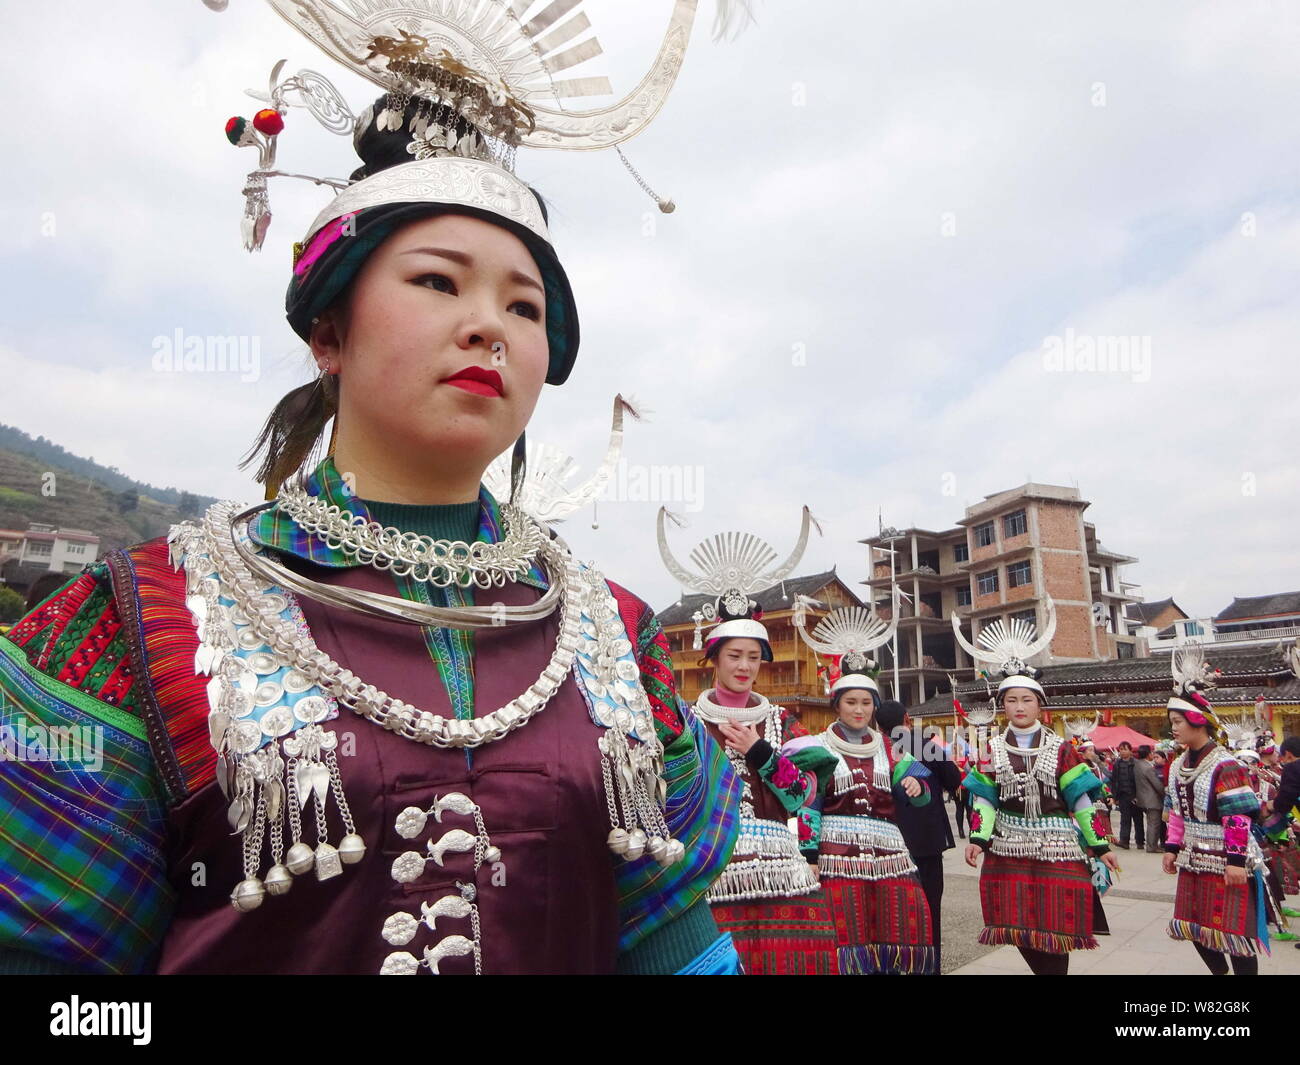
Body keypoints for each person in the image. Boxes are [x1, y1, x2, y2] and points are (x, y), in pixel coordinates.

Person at [0, 1, 748, 976]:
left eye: (523, 305)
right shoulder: (142, 628)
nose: (489, 325)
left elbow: (671, 946)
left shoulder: (613, 637)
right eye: (439, 282)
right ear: (328, 331)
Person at [659, 511, 838, 974]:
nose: (744, 666)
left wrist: (760, 752)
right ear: (712, 660)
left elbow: (803, 797)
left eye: (753, 657)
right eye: (734, 656)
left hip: (780, 866)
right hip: (711, 871)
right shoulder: (688, 723)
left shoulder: (781, 721)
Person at [953, 602, 1118, 976]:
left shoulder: (1061, 748)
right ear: (1002, 706)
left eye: (1027, 699)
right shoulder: (992, 748)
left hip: (1056, 844)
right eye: (1011, 700)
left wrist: (1100, 845)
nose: (1019, 706)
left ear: (1040, 705)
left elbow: (1081, 800)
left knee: (1057, 924)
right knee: (1017, 924)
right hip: (1007, 845)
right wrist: (978, 839)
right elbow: (985, 798)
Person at [784, 609, 936, 974]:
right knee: (844, 944)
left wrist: (916, 788)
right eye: (851, 702)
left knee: (897, 940)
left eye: (866, 703)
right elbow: (809, 807)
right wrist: (808, 855)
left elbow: (924, 795)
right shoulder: (816, 748)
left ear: (875, 707)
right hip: (837, 858)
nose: (859, 710)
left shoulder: (892, 747)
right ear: (836, 705)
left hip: (891, 858)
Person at [1162, 648, 1269, 975]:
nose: (1174, 729)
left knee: (1235, 932)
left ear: (1197, 721)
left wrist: (1236, 861)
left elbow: (1237, 816)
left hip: (1227, 857)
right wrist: (1171, 847)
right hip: (1193, 857)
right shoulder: (1179, 764)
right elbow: (1177, 811)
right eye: (1172, 723)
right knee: (1193, 924)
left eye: (1177, 722)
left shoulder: (1225, 764)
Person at [874, 699, 962, 970]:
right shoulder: (924, 744)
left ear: (878, 725)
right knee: (928, 909)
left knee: (890, 910)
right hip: (926, 838)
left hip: (886, 840)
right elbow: (954, 780)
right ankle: (929, 966)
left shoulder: (874, 748)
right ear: (907, 719)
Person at [1110, 741, 1143, 849]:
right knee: (1125, 819)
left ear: (1130, 750)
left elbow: (1140, 780)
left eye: (1125, 749)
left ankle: (1140, 841)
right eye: (1121, 749)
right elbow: (1114, 781)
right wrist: (1115, 797)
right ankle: (1124, 841)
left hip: (1135, 795)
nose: (1123, 751)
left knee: (1138, 819)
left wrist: (1139, 795)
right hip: (1123, 795)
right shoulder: (1117, 764)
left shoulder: (1136, 763)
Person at [1134, 745, 1166, 854]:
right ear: (1148, 754)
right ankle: (1152, 846)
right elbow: (1157, 784)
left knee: (1151, 822)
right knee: (1154, 823)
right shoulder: (1148, 768)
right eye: (1152, 753)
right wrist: (1164, 794)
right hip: (1152, 799)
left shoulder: (1137, 765)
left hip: (1142, 798)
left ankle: (1151, 844)